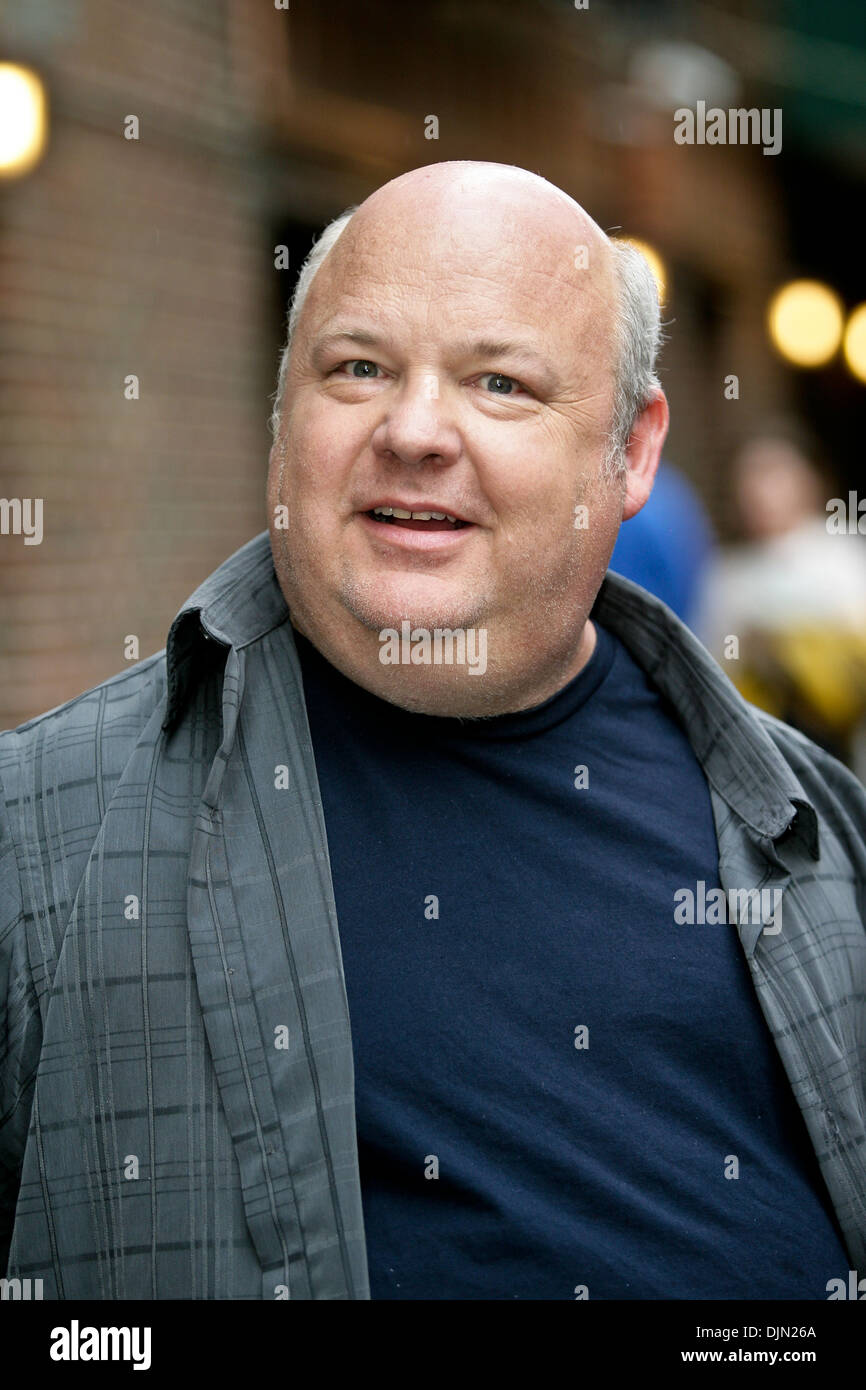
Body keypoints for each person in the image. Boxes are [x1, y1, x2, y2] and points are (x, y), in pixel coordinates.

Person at [1, 162, 864, 1302]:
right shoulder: (39, 844)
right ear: (283, 415)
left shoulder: (812, 833)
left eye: (498, 383)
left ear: (631, 450)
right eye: (357, 368)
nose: (412, 430)